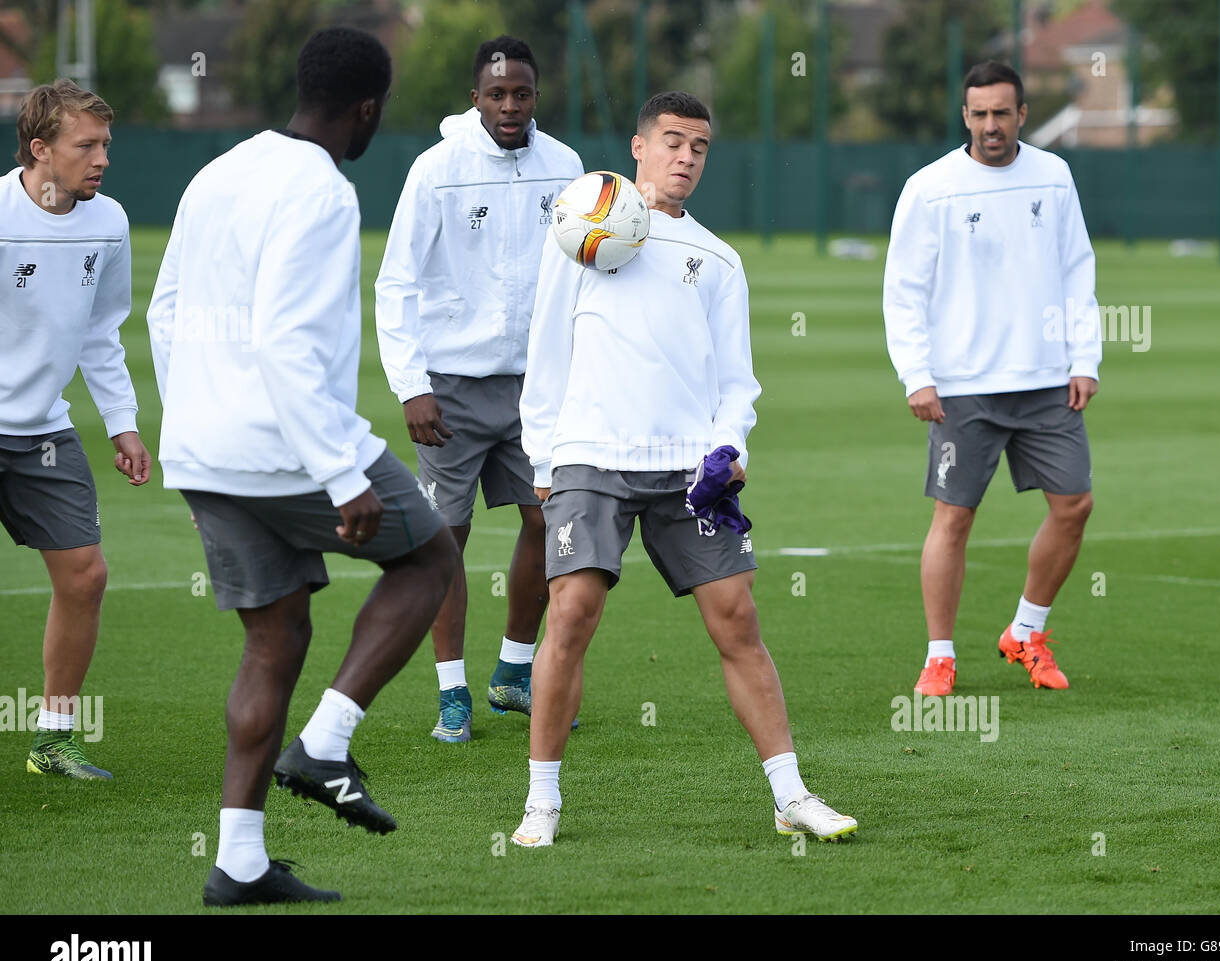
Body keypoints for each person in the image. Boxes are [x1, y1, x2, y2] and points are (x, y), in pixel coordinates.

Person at [147, 27, 458, 907]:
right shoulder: (323, 192)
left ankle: (238, 863)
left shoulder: (220, 170)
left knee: (274, 639)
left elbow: (166, 311)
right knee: (429, 556)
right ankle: (325, 743)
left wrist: (198, 422)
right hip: (288, 451)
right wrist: (341, 471)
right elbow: (287, 342)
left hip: (207, 452)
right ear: (367, 110)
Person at [509, 91, 857, 848]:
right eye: (672, 142)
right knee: (570, 613)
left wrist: (728, 449)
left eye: (699, 147)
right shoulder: (582, 232)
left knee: (737, 618)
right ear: (638, 147)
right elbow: (545, 351)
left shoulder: (719, 260)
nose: (686, 158)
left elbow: (738, 382)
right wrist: (544, 456)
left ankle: (791, 794)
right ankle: (542, 800)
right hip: (590, 457)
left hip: (686, 472)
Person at [375, 35, 583, 743]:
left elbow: (581, 270)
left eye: (521, 93)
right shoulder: (436, 170)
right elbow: (396, 281)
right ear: (474, 99)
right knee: (446, 539)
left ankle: (514, 673)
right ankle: (452, 692)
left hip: (537, 387)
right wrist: (411, 386)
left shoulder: (566, 165)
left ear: (535, 96)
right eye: (496, 94)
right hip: (451, 388)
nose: (510, 106)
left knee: (544, 523)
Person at [882, 61, 1101, 698]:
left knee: (1075, 505)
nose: (989, 126)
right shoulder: (930, 187)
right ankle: (939, 657)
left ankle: (1027, 632)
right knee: (953, 520)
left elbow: (1077, 271)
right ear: (965, 116)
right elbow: (904, 291)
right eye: (978, 114)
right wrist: (916, 375)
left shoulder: (1054, 176)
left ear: (1022, 115)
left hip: (1044, 380)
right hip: (962, 386)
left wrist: (1084, 358)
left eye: (1001, 113)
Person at [2, 80, 152, 781]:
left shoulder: (110, 222)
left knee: (86, 575)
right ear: (40, 149)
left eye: (106, 145)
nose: (101, 160)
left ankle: (54, 740)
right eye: (85, 146)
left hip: (44, 434)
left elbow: (100, 330)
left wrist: (122, 423)